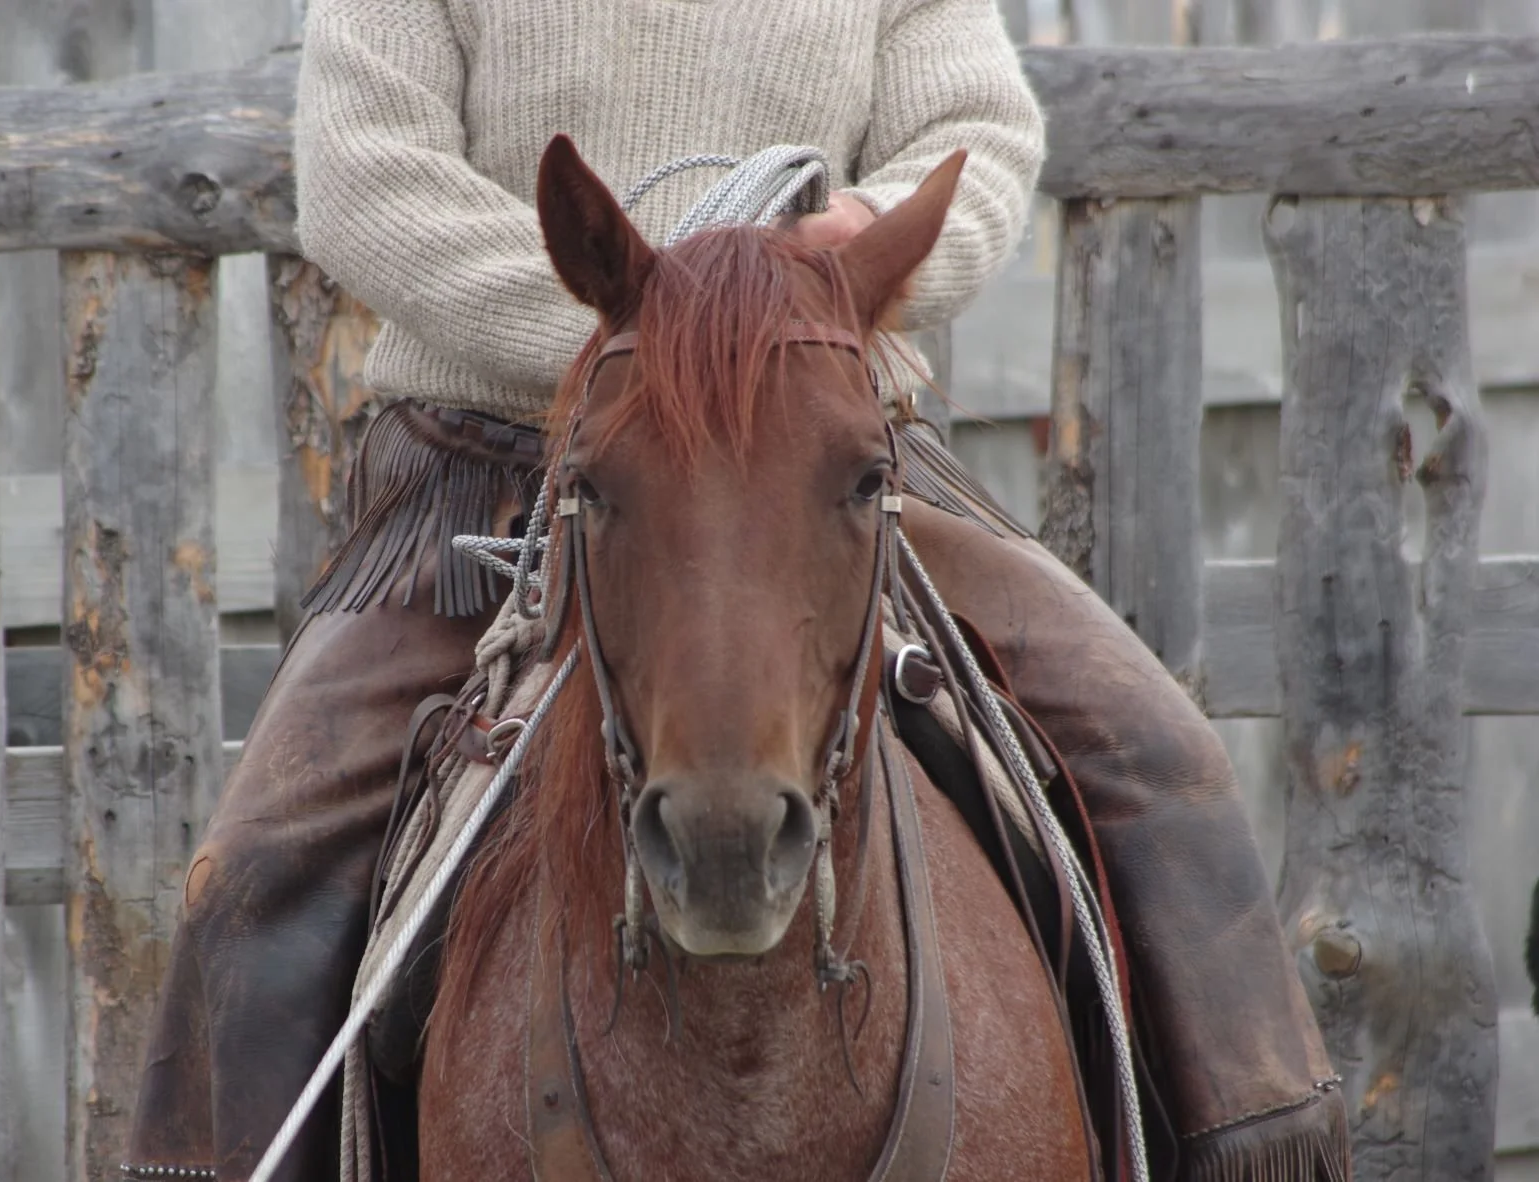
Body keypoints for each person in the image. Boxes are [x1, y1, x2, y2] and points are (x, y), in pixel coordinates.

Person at [122, 0, 1347, 1178]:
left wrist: (842, 250)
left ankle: (1255, 1143)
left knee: (1162, 762)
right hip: (485, 471)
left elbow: (974, 133)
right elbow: (365, 180)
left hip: (822, 463)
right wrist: (654, 340)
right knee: (255, 875)